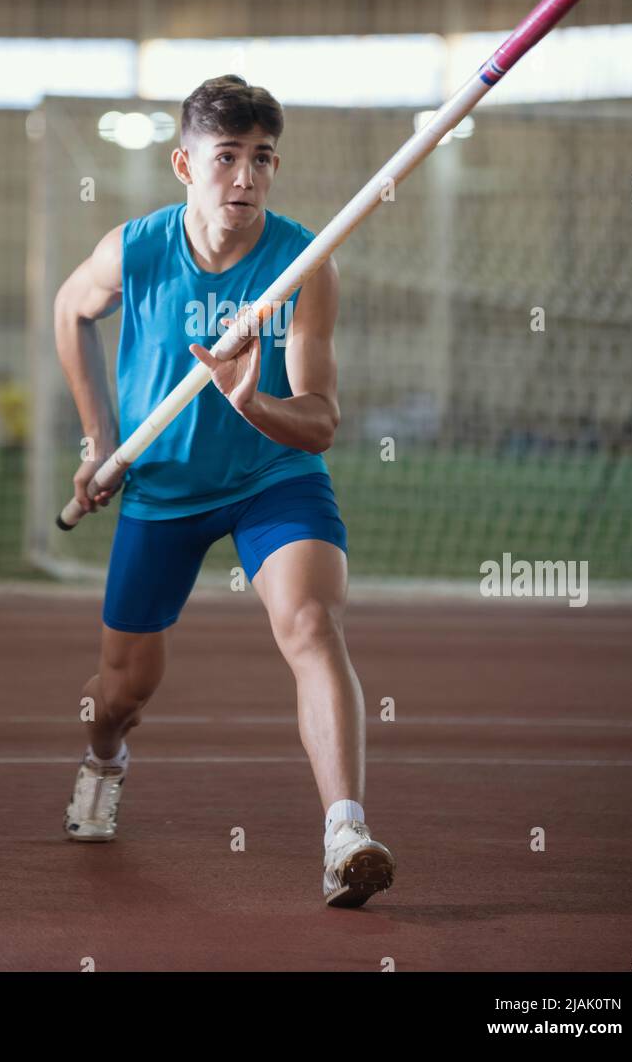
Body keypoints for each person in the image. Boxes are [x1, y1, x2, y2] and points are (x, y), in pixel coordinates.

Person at [53, 74, 395, 908]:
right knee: (121, 691)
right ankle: (104, 758)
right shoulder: (135, 250)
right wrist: (101, 441)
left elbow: (319, 424)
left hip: (271, 476)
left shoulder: (305, 264)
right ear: (184, 164)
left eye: (263, 159)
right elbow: (71, 310)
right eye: (228, 157)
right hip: (163, 485)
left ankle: (344, 833)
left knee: (313, 623)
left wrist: (254, 403)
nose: (246, 177)